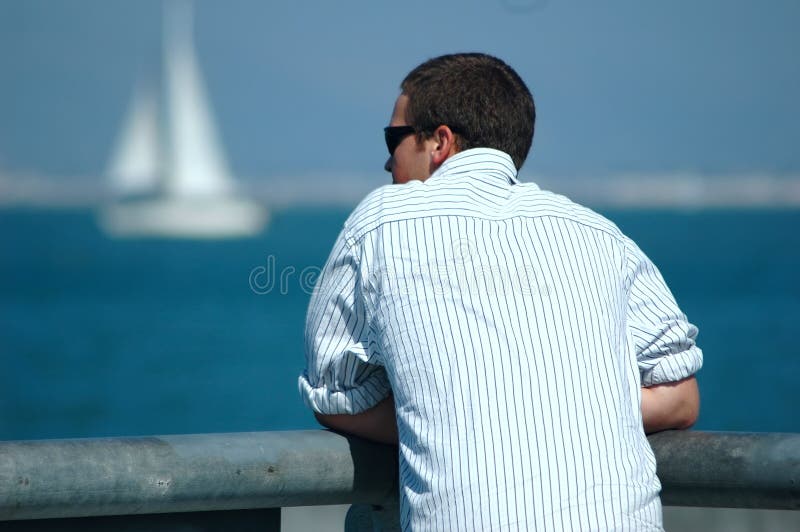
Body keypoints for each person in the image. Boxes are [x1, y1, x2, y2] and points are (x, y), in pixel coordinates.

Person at [300, 53, 702, 531]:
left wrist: (453, 410)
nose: (387, 159)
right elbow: (679, 396)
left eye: (394, 138)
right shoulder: (599, 234)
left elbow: (334, 394)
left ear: (440, 142)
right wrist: (562, 397)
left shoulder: (382, 221)